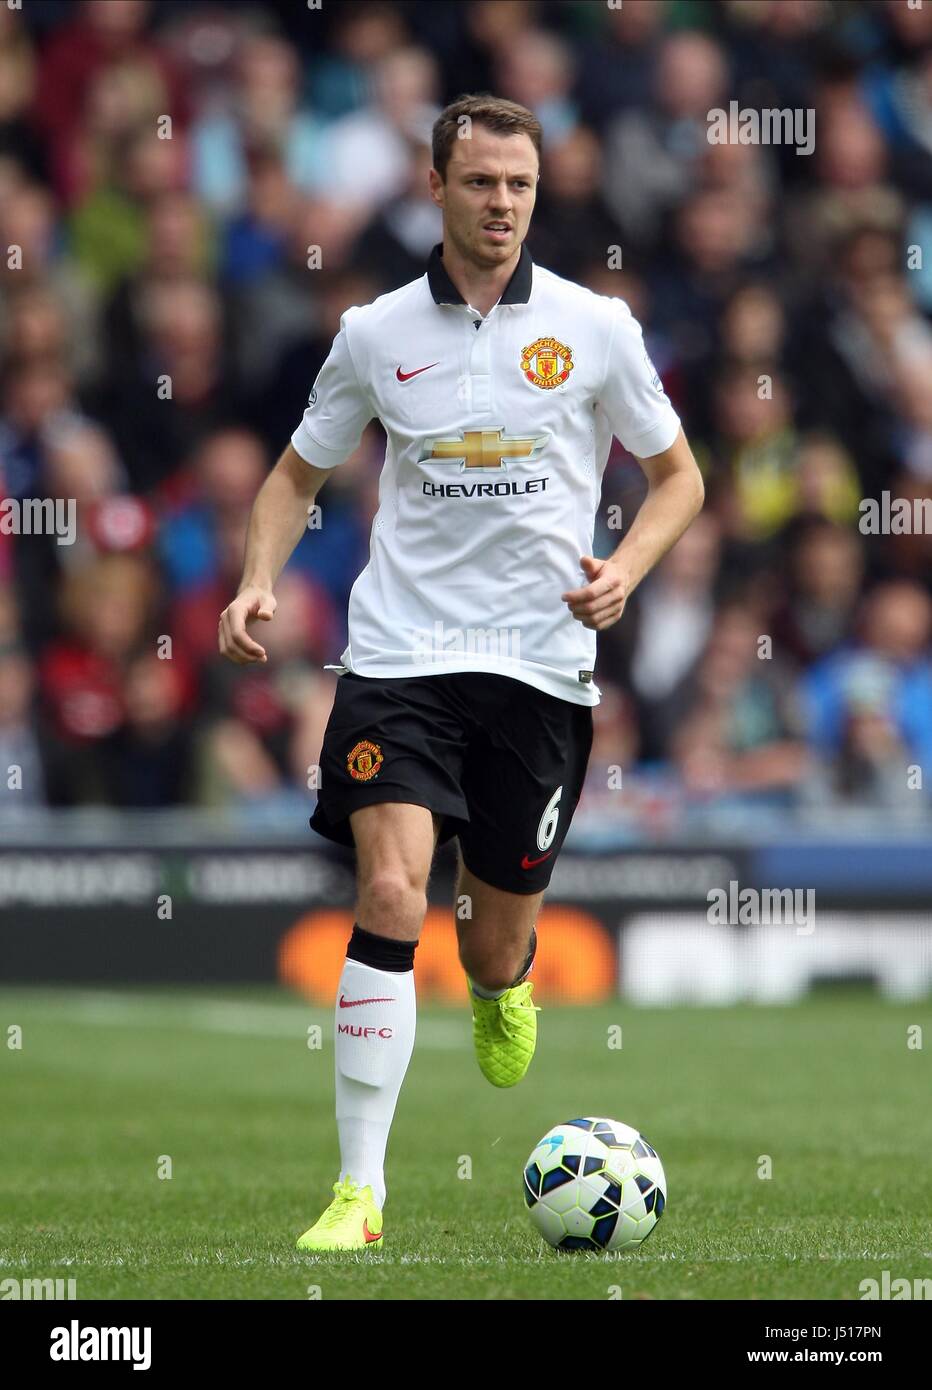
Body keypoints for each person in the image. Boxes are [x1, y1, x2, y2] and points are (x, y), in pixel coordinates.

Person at [218, 94, 704, 1250]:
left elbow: (678, 477)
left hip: (540, 667)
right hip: (401, 656)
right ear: (435, 185)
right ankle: (358, 1192)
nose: (500, 204)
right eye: (480, 182)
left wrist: (626, 568)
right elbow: (295, 477)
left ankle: (501, 978)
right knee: (389, 895)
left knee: (487, 934)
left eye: (519, 186)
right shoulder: (373, 333)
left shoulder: (597, 327)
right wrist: (253, 582)